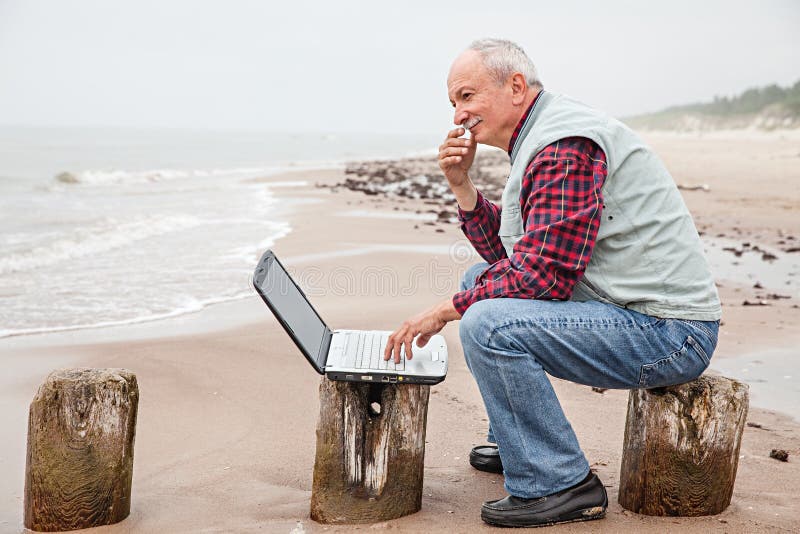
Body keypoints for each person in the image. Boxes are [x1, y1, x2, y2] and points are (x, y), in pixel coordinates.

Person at [383, 38, 721, 528]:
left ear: (515, 86)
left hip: (668, 333)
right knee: (479, 283)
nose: (459, 115)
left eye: (466, 96)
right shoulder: (543, 135)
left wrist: (442, 311)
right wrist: (462, 185)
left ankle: (560, 483)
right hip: (633, 312)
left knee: (487, 324)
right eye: (453, 103)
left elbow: (544, 277)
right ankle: (518, 441)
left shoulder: (563, 144)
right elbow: (515, 261)